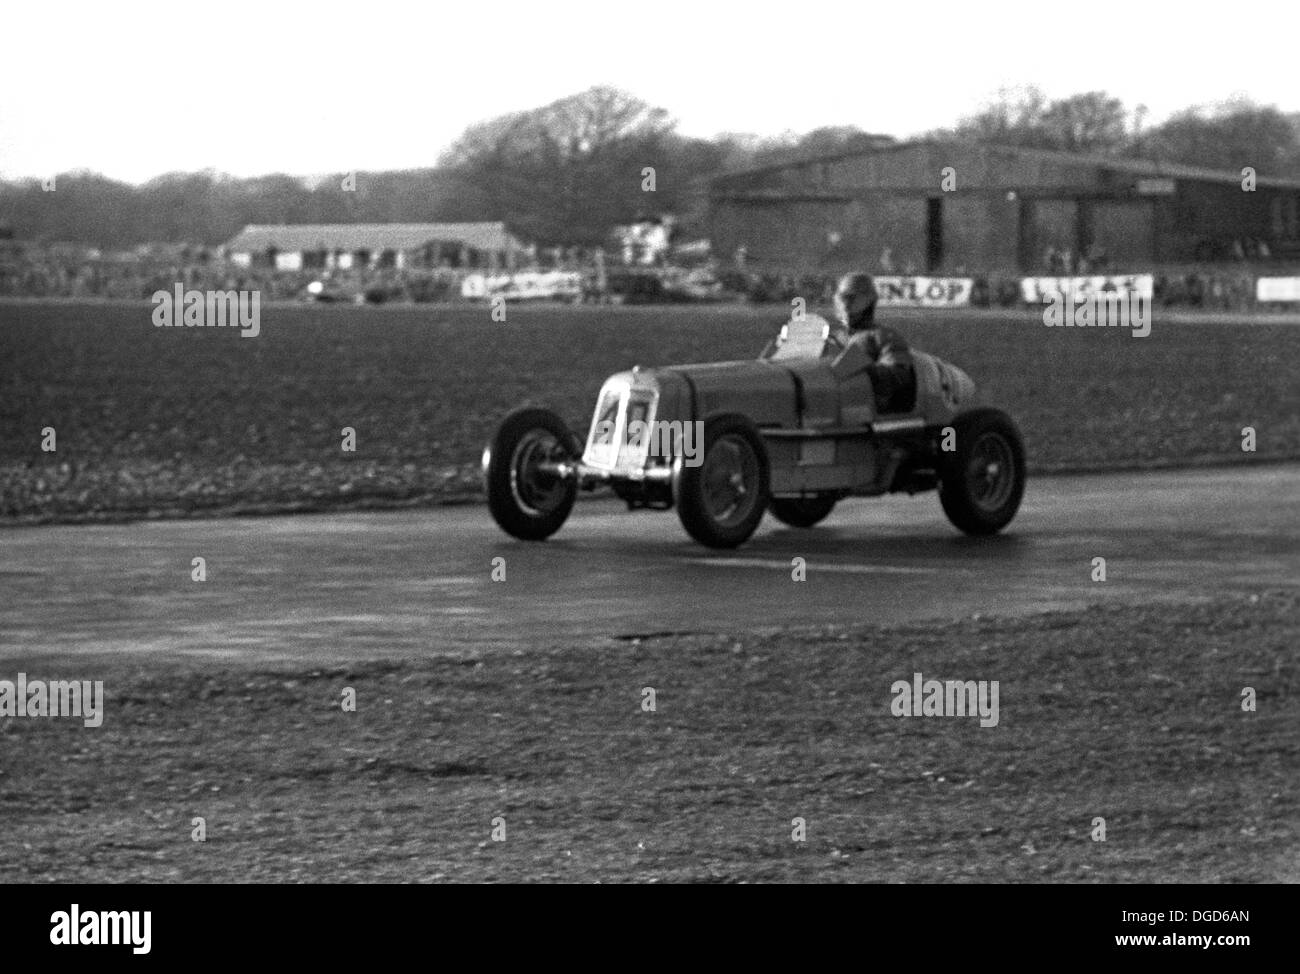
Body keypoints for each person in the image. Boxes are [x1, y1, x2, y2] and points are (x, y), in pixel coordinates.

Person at [830, 272, 916, 414]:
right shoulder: (833, 337)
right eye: (843, 300)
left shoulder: (883, 336)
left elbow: (900, 375)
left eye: (851, 300)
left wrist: (863, 372)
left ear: (867, 304)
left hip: (863, 409)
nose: (846, 307)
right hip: (827, 401)